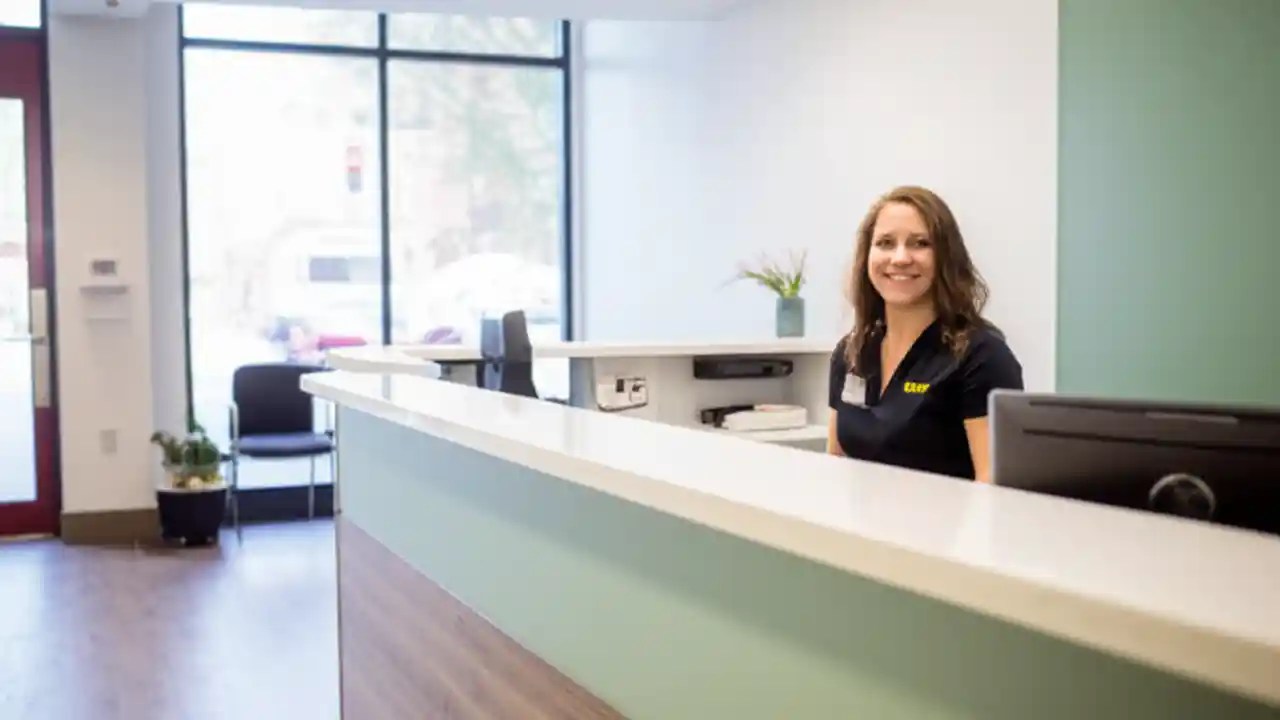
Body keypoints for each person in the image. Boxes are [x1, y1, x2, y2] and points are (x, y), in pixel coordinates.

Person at [827, 186, 1023, 482]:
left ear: (946, 256)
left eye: (920, 243)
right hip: (859, 527)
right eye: (885, 243)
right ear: (867, 256)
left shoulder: (981, 357)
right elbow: (836, 466)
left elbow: (996, 491)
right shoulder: (851, 352)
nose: (900, 258)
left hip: (943, 528)